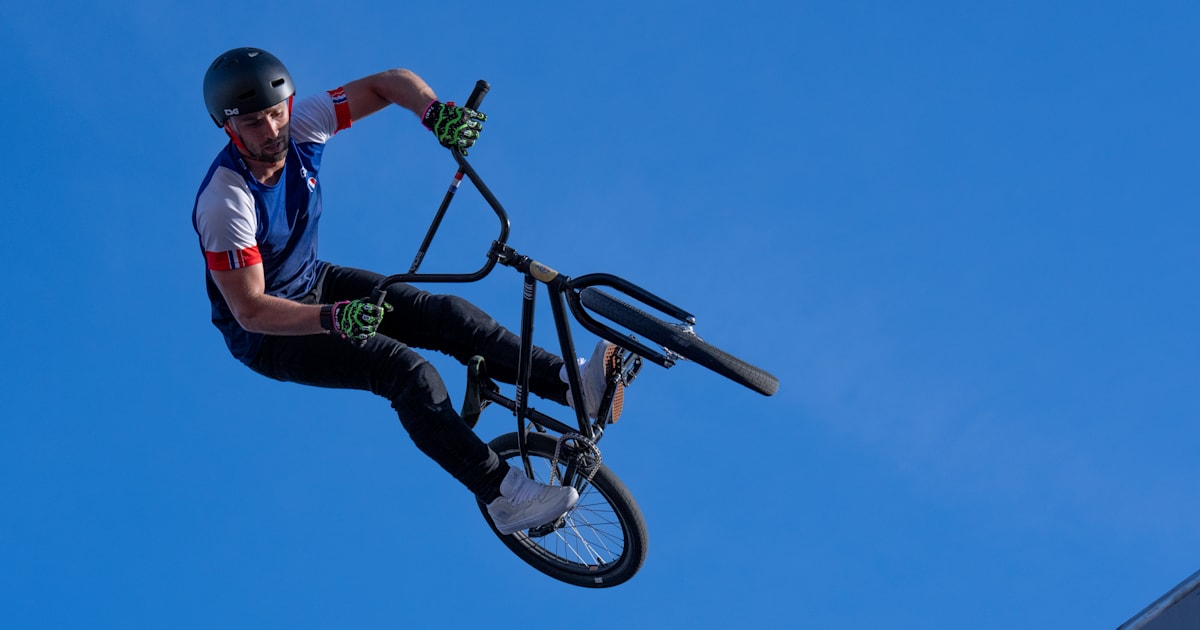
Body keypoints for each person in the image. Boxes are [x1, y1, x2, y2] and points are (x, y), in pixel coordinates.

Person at [192, 47, 624, 535]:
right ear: (227, 127)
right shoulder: (226, 201)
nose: (271, 131)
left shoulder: (305, 121)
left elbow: (387, 82)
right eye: (253, 123)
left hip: (314, 281)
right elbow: (249, 310)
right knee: (405, 373)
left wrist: (434, 112)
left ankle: (571, 384)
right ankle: (504, 496)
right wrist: (333, 318)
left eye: (275, 114)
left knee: (448, 316)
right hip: (271, 332)